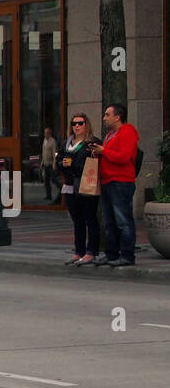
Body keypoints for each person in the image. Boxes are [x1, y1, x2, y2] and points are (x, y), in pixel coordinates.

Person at [90, 103, 139, 267]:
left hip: (121, 182)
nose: (104, 118)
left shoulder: (127, 131)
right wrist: (98, 152)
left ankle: (127, 255)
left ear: (118, 117)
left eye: (107, 114)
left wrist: (104, 151)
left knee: (123, 221)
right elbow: (110, 155)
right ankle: (111, 254)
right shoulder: (111, 133)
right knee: (110, 221)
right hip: (108, 181)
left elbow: (124, 157)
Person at [59, 112, 101, 265]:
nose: (76, 126)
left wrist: (74, 165)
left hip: (86, 185)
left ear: (86, 125)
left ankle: (91, 251)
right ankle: (79, 251)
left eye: (80, 123)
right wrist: (62, 164)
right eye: (74, 123)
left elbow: (93, 165)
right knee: (77, 220)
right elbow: (58, 162)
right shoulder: (67, 143)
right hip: (70, 185)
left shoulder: (92, 143)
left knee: (90, 219)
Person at [40, 127, 58, 202]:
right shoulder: (44, 141)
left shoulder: (53, 141)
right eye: (45, 133)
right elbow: (43, 152)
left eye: (47, 133)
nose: (45, 134)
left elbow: (55, 153)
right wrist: (42, 162)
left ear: (50, 133)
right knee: (46, 181)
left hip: (51, 164)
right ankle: (48, 195)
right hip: (45, 163)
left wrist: (54, 163)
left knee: (54, 179)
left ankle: (61, 190)